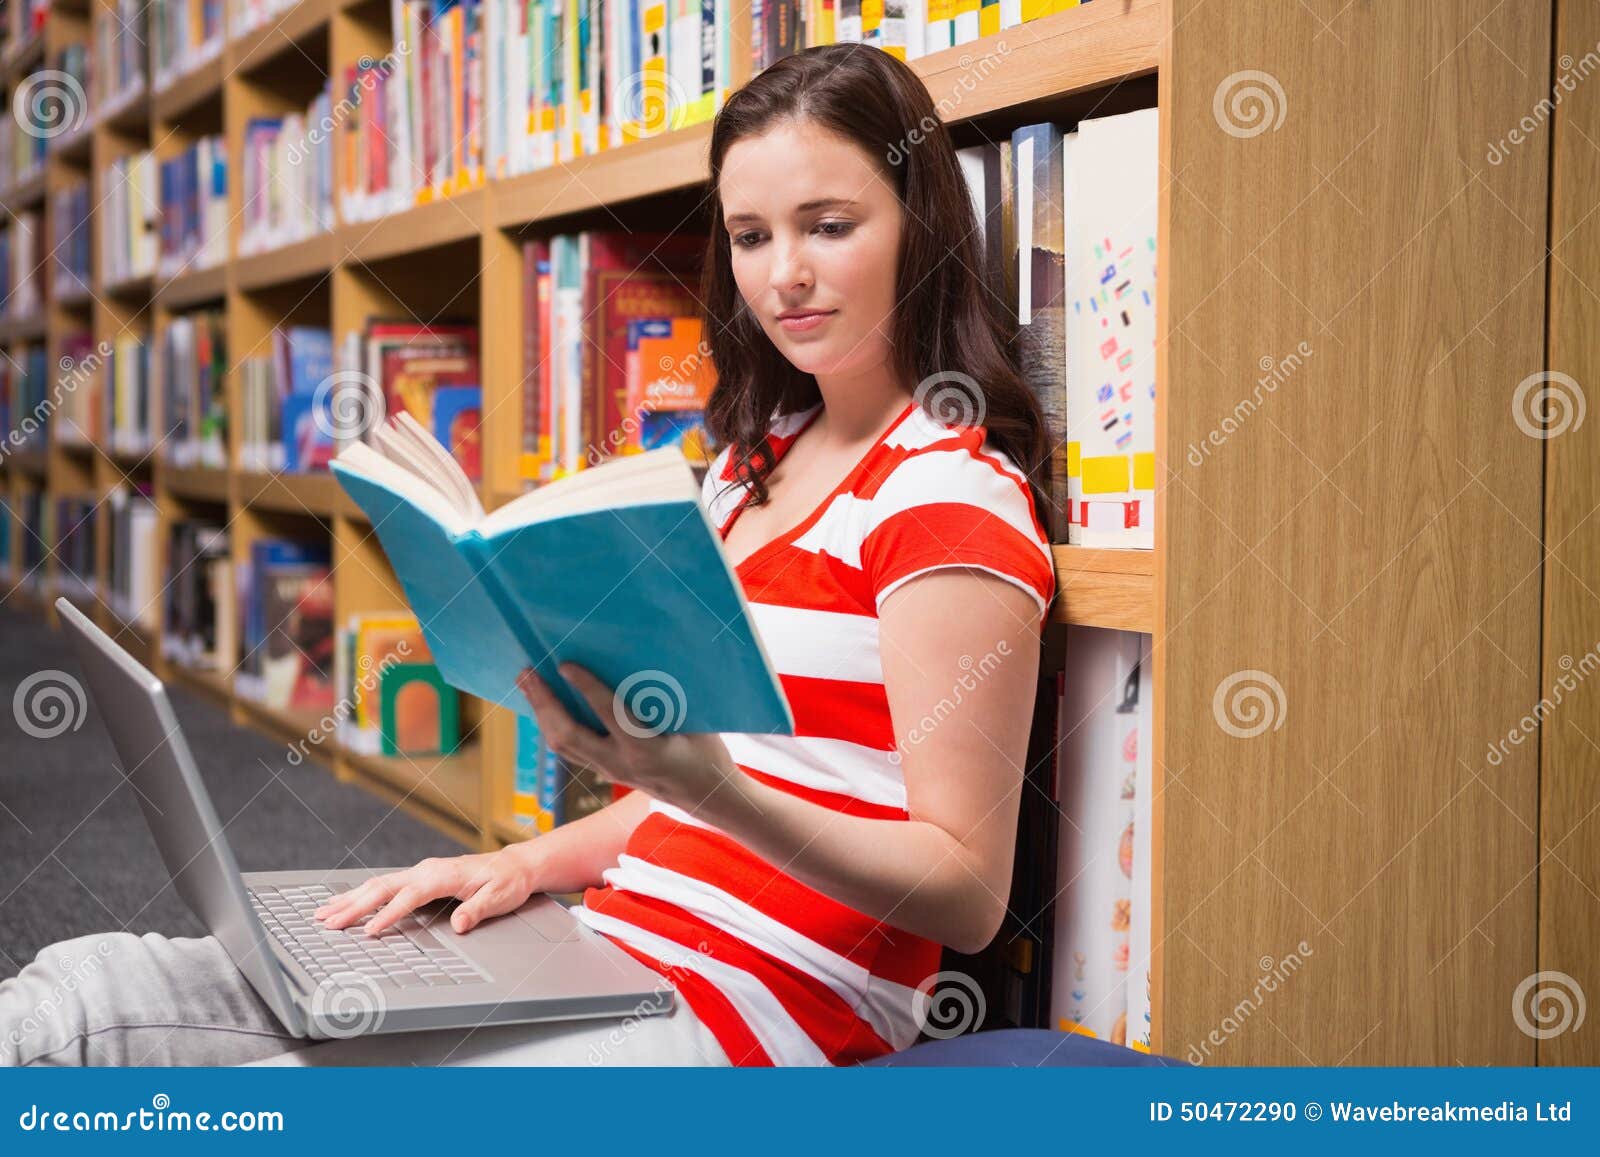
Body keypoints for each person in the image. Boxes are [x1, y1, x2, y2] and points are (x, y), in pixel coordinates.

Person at [0, 41, 1058, 1068]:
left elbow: (965, 892)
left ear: (919, 227)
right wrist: (517, 862)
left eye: (828, 225)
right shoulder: (750, 468)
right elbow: (711, 786)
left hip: (750, 1007)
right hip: (607, 939)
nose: (782, 274)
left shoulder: (948, 492)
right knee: (91, 994)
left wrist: (717, 794)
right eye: (747, 235)